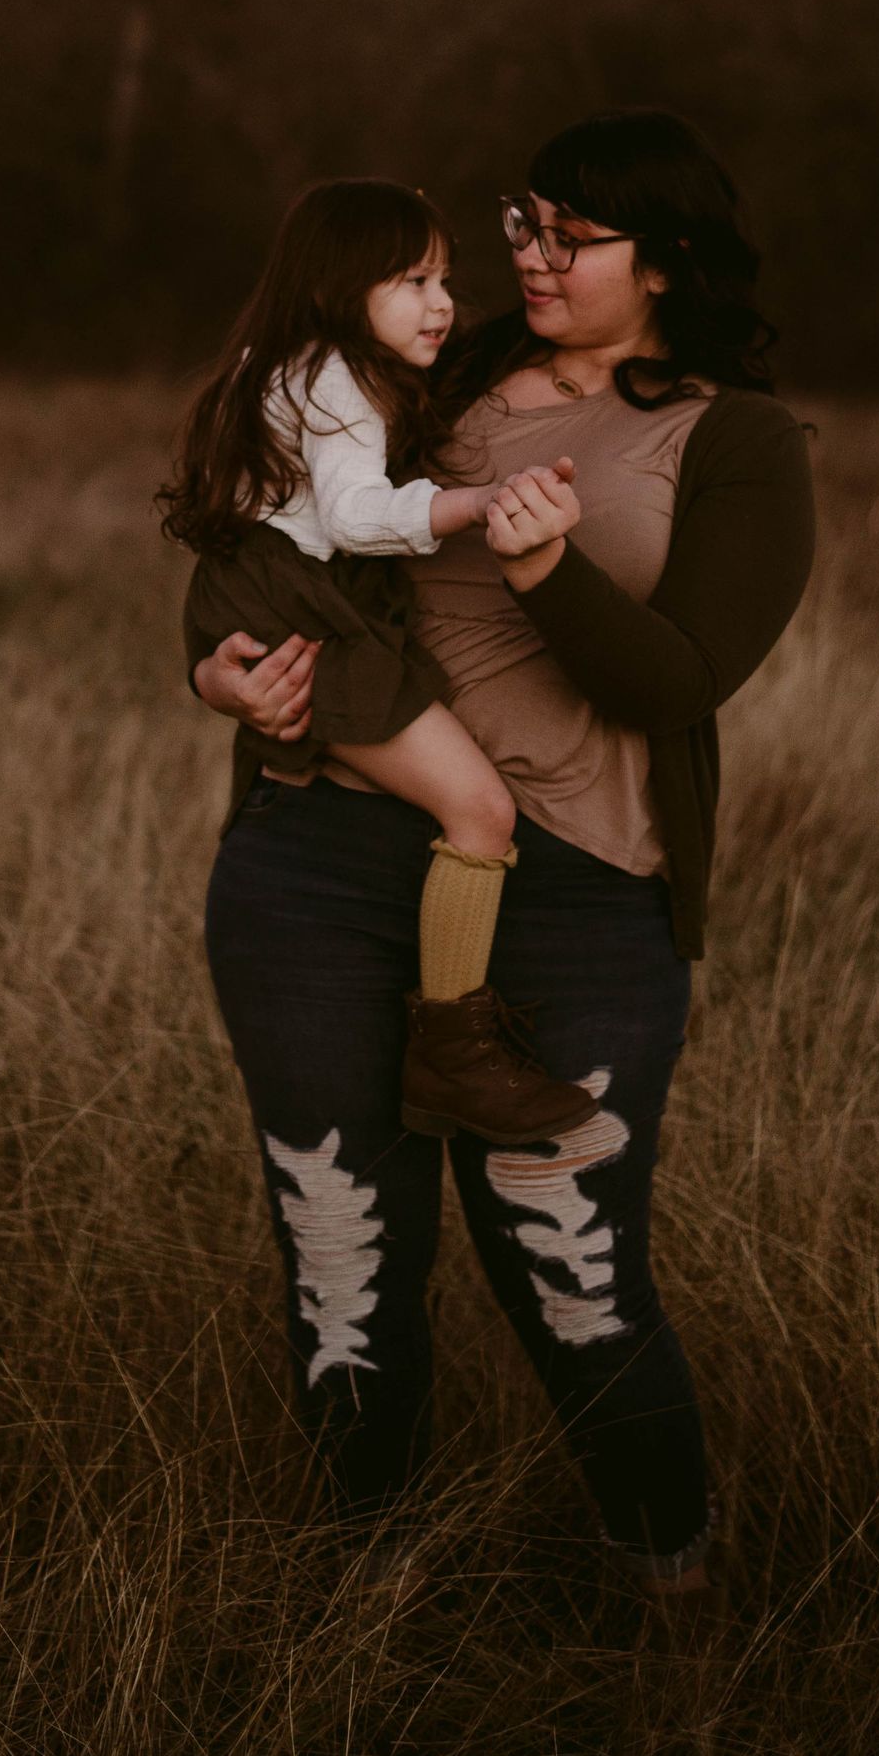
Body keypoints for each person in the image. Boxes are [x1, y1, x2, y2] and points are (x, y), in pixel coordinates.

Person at [189, 110, 816, 1600]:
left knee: (572, 1275)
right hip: (322, 865)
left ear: (660, 262)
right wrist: (226, 677)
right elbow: (280, 550)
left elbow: (674, 682)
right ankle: (368, 1602)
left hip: (582, 894)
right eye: (518, 222)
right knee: (344, 1258)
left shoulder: (736, 438)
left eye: (563, 236)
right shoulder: (437, 376)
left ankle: (671, 1585)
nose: (521, 255)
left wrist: (544, 572)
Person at [158, 176, 596, 1144]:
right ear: (337, 284)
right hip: (307, 608)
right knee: (480, 809)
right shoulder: (335, 377)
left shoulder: (275, 364)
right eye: (411, 280)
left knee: (393, 789)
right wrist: (474, 506)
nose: (443, 303)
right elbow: (356, 515)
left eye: (445, 278)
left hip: (274, 598)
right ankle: (454, 1051)